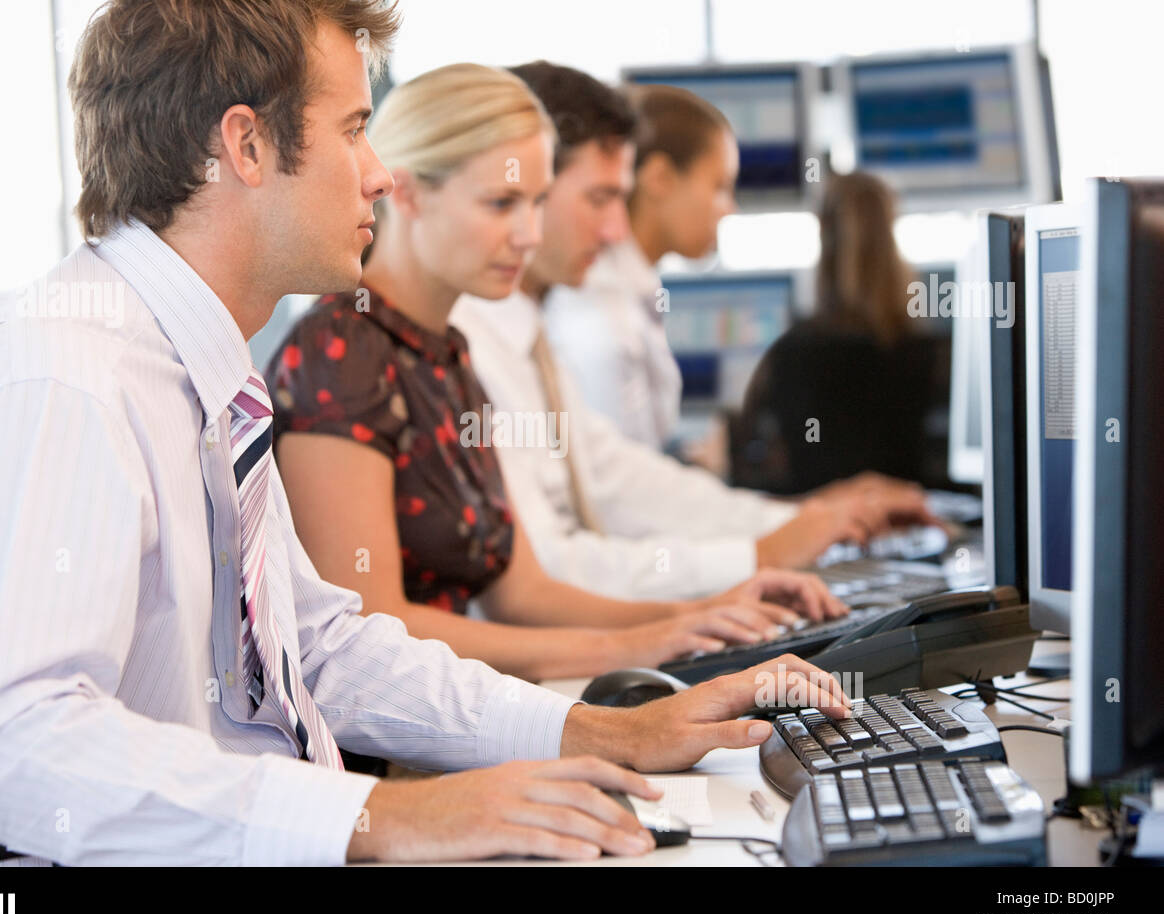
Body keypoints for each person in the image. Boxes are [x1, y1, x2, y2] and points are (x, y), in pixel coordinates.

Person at [0, 0, 851, 867]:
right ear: (246, 146)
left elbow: (321, 646)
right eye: (353, 130)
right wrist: (383, 815)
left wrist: (595, 728)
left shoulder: (193, 366)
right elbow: (6, 745)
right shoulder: (55, 376)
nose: (379, 175)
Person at [265, 63, 848, 685]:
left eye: (539, 203)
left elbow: (523, 594)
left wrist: (697, 615)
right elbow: (368, 627)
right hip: (394, 742)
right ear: (405, 194)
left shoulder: (449, 353)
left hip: (470, 705)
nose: (529, 235)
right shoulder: (341, 351)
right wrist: (633, 646)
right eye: (501, 204)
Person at [450, 62, 940, 604]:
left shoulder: (529, 333)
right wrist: (762, 553)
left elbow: (622, 481)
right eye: (599, 198)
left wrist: (804, 520)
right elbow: (550, 569)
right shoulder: (505, 342)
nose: (617, 229)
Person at [733, 171, 952, 494]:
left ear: (825, 241)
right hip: (907, 528)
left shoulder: (788, 353)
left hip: (816, 532)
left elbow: (753, 466)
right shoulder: (933, 357)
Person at [542, 83, 732, 453]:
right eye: (720, 186)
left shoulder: (632, 289)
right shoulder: (597, 311)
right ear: (660, 177)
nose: (729, 208)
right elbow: (614, 480)